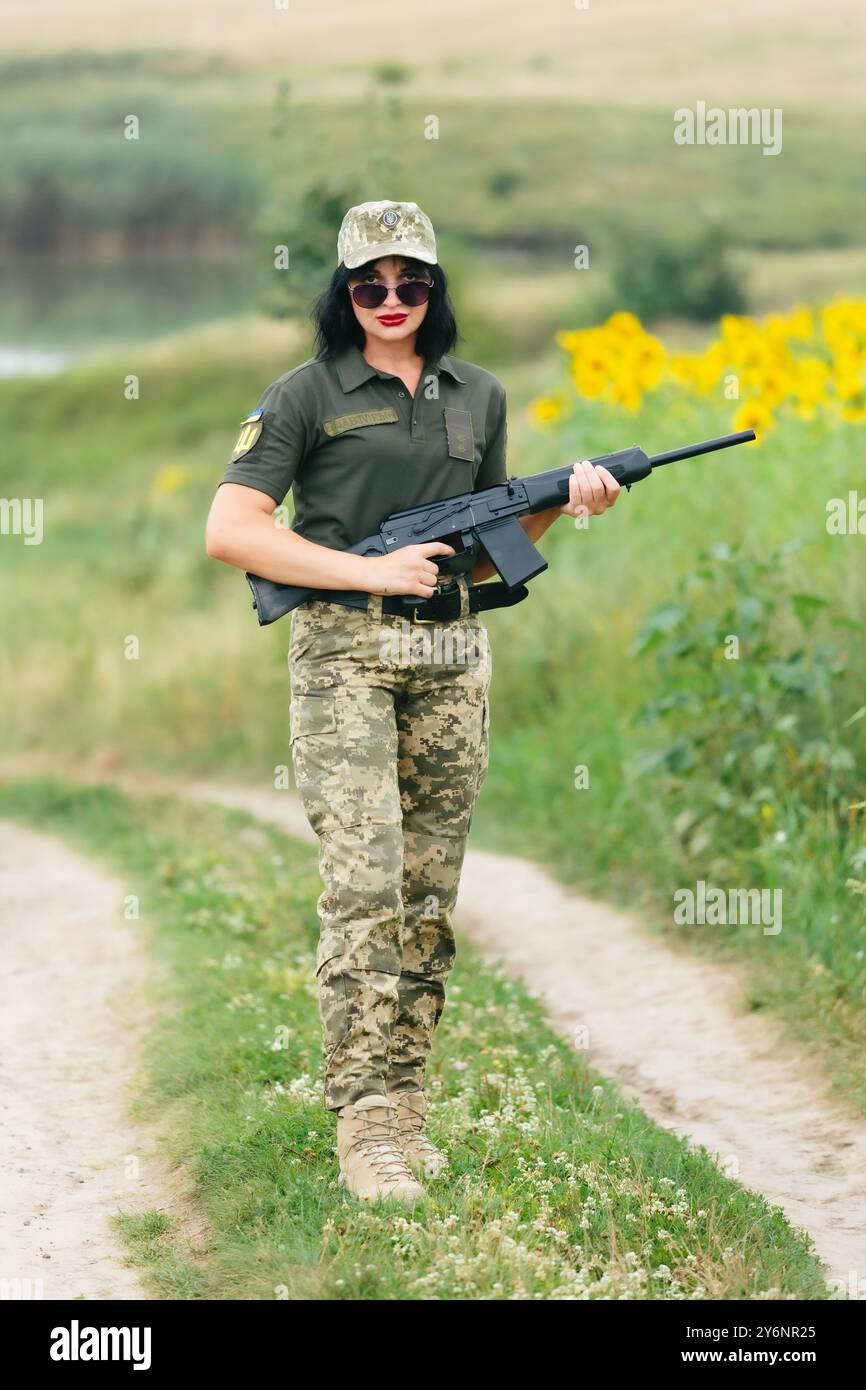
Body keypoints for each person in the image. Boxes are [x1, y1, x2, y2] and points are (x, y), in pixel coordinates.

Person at [205, 199, 620, 1204]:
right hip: (343, 652)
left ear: (434, 291)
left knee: (429, 893)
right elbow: (231, 528)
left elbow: (482, 558)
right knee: (365, 881)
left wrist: (560, 505)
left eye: (411, 284)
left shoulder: (476, 394)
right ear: (342, 294)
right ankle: (361, 1124)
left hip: (451, 657)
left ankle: (404, 1106)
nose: (390, 301)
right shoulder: (303, 393)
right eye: (368, 285)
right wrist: (367, 573)